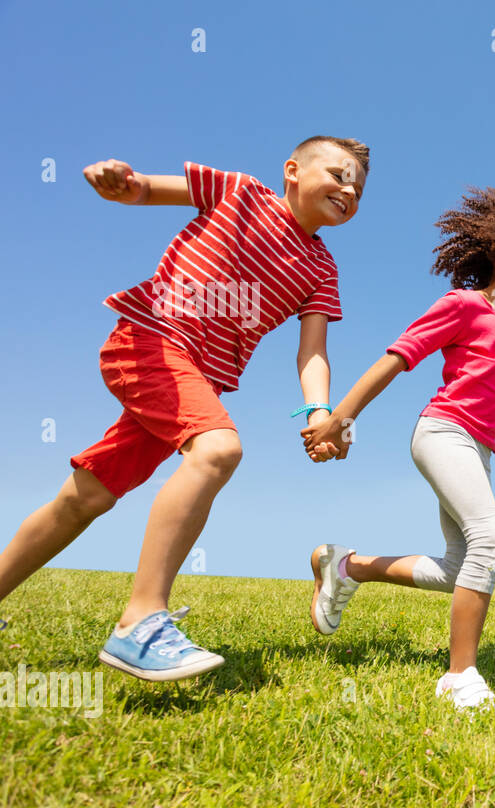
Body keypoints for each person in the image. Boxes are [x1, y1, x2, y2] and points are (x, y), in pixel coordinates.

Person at [0, 136, 370, 681]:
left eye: (358, 189)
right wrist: (122, 185)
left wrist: (320, 412)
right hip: (151, 339)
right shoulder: (239, 192)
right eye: (338, 175)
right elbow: (146, 189)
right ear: (292, 170)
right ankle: (139, 623)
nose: (348, 190)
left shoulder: (321, 269)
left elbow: (312, 351)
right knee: (218, 448)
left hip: (194, 381)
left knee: (87, 497)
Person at [302, 187, 495, 711]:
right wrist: (338, 422)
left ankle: (346, 566)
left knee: (457, 566)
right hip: (442, 433)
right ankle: (459, 676)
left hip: (479, 450)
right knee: (491, 536)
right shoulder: (462, 306)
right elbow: (394, 359)